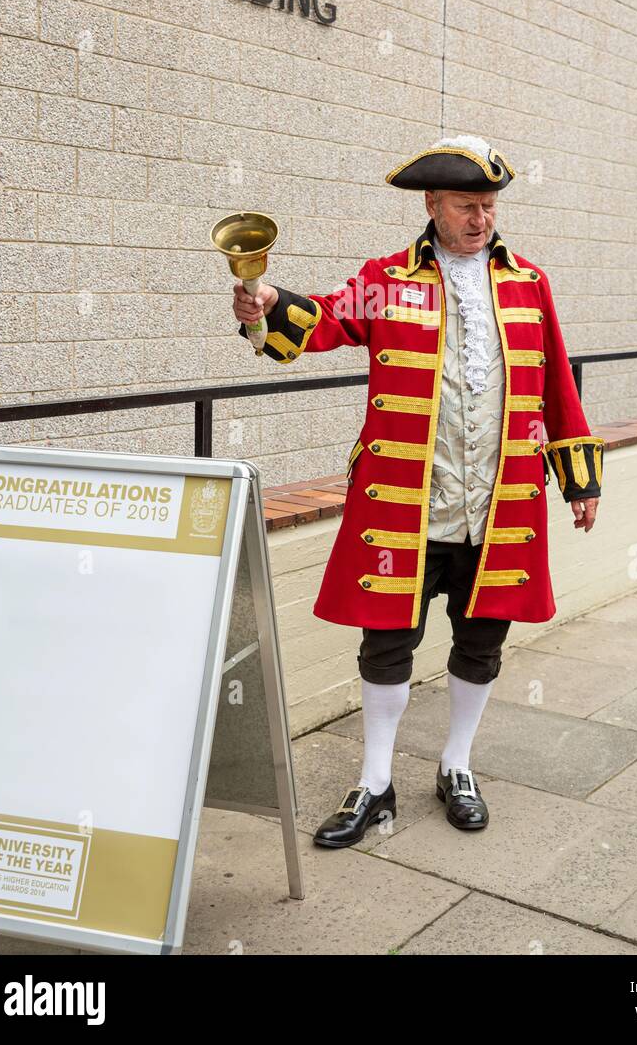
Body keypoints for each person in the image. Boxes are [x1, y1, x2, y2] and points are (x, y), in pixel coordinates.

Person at [232, 135, 603, 846]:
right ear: (432, 204)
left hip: (497, 502)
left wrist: (578, 479)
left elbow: (557, 382)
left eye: (489, 205)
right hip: (408, 504)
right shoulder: (385, 278)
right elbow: (331, 321)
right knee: (386, 644)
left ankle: (456, 765)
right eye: (467, 205)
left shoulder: (528, 282)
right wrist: (269, 302)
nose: (481, 218)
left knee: (482, 638)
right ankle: (374, 784)